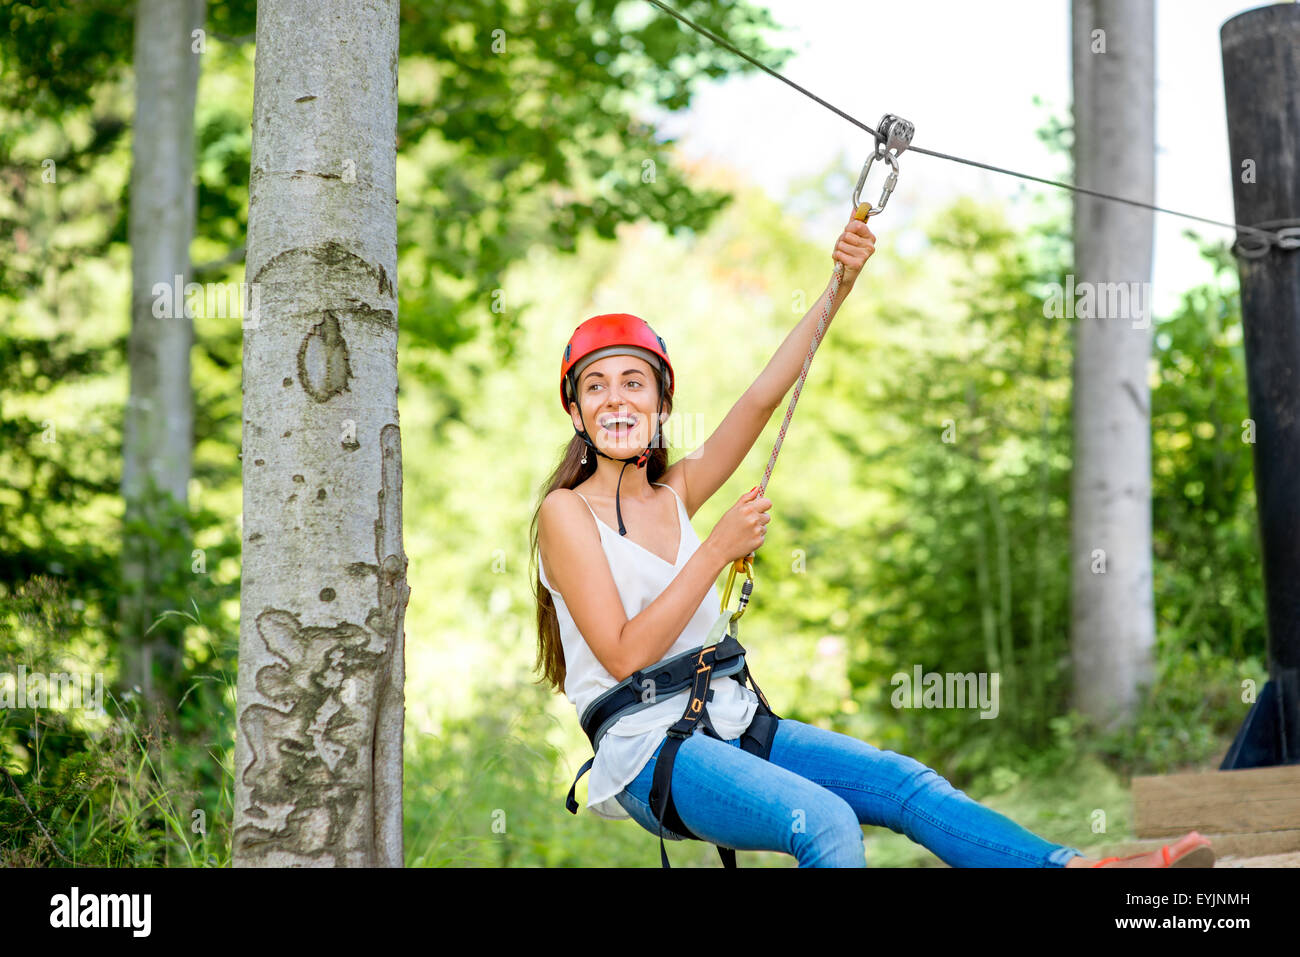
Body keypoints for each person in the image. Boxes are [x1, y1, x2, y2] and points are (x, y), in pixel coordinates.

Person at [529, 216, 1215, 868]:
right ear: (575, 410)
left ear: (661, 403)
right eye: (596, 386)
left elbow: (763, 397)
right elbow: (623, 653)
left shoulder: (675, 493)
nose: (616, 399)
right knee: (823, 820)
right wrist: (715, 551)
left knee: (905, 783)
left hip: (730, 719)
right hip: (651, 751)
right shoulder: (566, 512)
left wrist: (838, 286)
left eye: (632, 383)